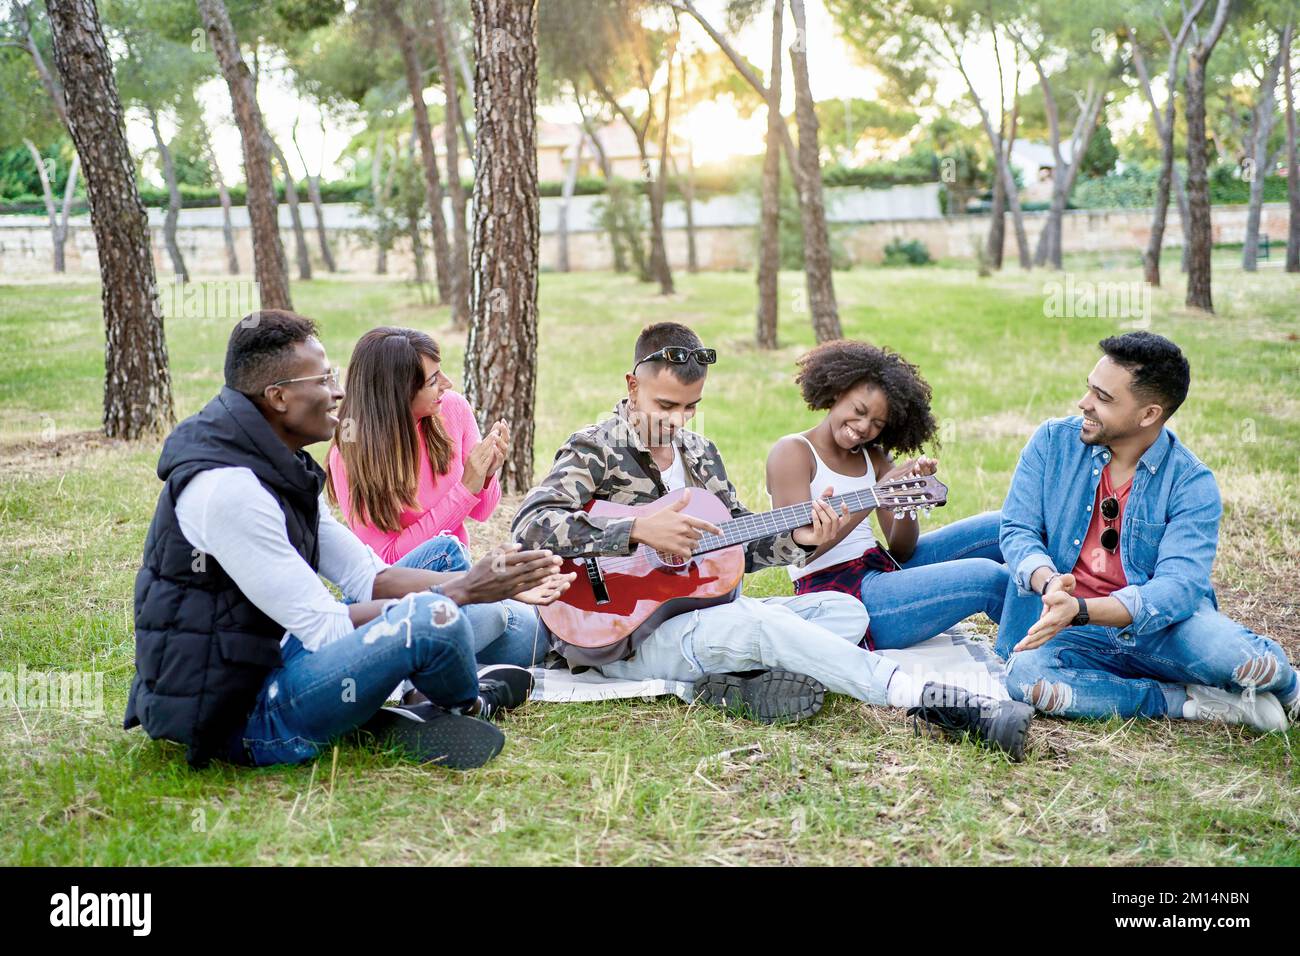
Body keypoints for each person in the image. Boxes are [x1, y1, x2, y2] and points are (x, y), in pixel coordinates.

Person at [512, 322, 1034, 759]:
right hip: (621, 634)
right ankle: (931, 699)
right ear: (632, 386)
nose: (677, 421)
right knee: (758, 622)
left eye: (690, 407)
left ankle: (731, 683)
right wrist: (636, 530)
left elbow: (739, 541)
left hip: (694, 614)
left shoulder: (700, 454)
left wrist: (800, 540)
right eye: (665, 405)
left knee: (842, 612)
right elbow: (532, 522)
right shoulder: (595, 448)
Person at [125, 310, 573, 771]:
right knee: (435, 618)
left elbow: (368, 575)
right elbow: (326, 627)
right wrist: (462, 590)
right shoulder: (231, 490)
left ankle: (398, 706)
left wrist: (489, 582)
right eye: (323, 379)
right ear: (278, 397)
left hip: (278, 657)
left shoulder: (276, 464)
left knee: (448, 587)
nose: (338, 392)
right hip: (243, 714)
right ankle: (465, 702)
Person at [999, 331, 1298, 732]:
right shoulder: (1052, 442)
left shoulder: (1192, 483)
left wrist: (1086, 610)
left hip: (1161, 629)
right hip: (1075, 631)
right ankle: (1185, 701)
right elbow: (1018, 529)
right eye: (1090, 389)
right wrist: (1049, 582)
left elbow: (1178, 589)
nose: (1084, 403)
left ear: (1148, 415)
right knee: (1025, 677)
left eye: (1103, 398)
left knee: (1245, 661)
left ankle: (1290, 687)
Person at [766, 339, 1012, 649]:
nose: (862, 427)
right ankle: (1037, 653)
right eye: (858, 411)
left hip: (880, 568)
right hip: (841, 597)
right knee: (987, 579)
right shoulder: (793, 452)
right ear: (838, 392)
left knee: (1005, 526)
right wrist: (873, 495)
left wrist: (904, 499)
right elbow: (798, 552)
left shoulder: (874, 457)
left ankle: (1076, 599)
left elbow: (902, 551)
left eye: (877, 423)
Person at [326, 327, 544, 669]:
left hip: (454, 586)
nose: (448, 384)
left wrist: (487, 473)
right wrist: (465, 489)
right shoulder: (352, 453)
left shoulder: (453, 410)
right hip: (390, 588)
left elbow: (484, 511)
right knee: (448, 552)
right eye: (432, 380)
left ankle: (412, 654)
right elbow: (386, 559)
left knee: (530, 635)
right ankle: (417, 650)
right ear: (398, 393)